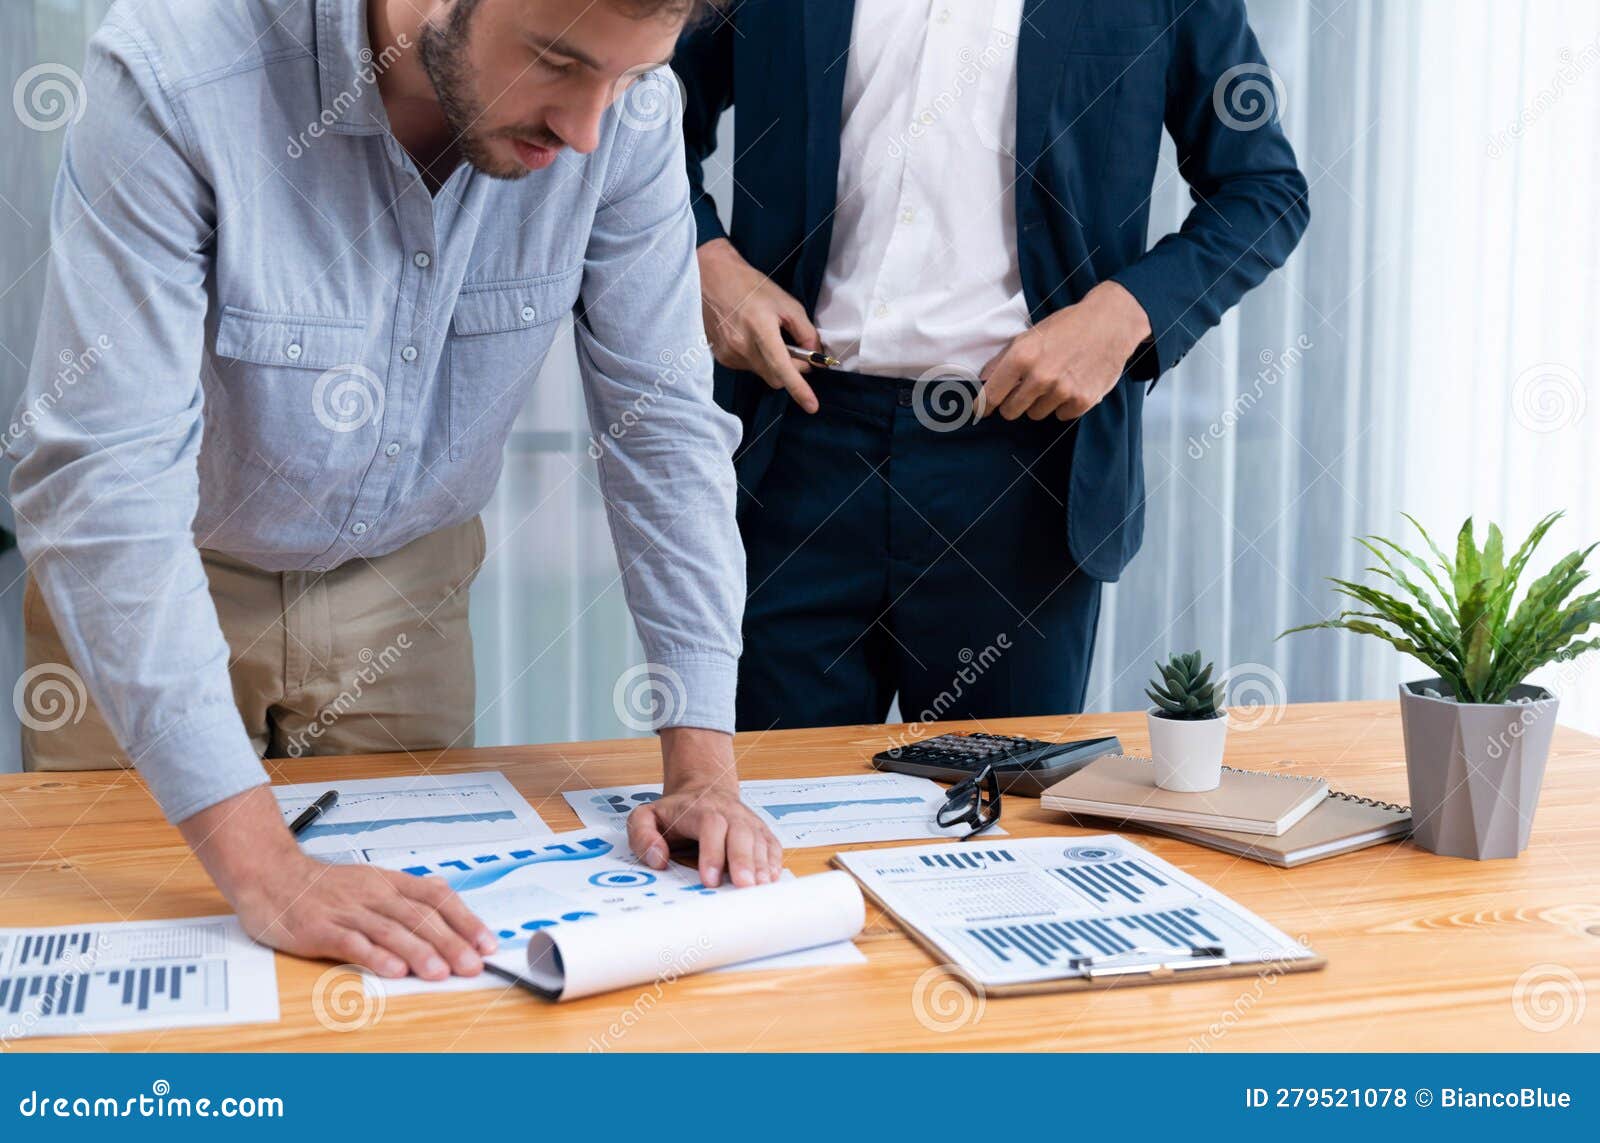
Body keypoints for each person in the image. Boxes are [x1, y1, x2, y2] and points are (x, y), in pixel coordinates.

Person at [7, 0, 780, 985]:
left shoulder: (621, 116)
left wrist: (703, 774)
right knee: (151, 985)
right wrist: (267, 870)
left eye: (624, 80)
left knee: (415, 990)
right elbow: (105, 473)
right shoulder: (175, 67)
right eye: (555, 63)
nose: (585, 131)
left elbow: (663, 433)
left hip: (406, 600)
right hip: (157, 588)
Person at [675, 0, 1309, 730]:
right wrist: (705, 260)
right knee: (762, 819)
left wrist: (1124, 314)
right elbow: (647, 108)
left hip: (1026, 475)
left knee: (1001, 826)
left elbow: (1263, 188)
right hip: (795, 448)